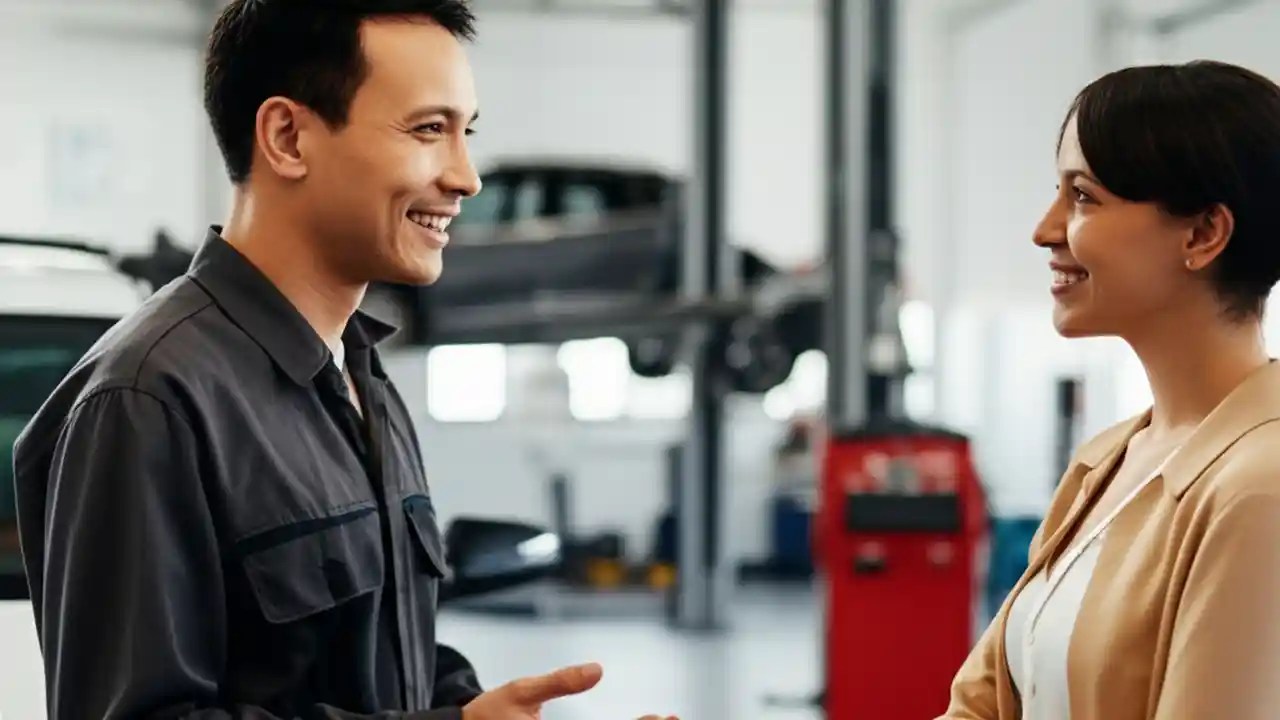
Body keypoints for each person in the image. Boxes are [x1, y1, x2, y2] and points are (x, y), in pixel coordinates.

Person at [12, 2, 675, 719]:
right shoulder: (152, 400)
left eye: (466, 134)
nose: (465, 177)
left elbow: (384, 661)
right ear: (288, 137)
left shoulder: (361, 375)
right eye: (429, 130)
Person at [941, 60, 1280, 719]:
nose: (1045, 230)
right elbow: (982, 710)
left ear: (1203, 233)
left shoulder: (1259, 490)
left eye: (1083, 197)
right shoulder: (1106, 461)